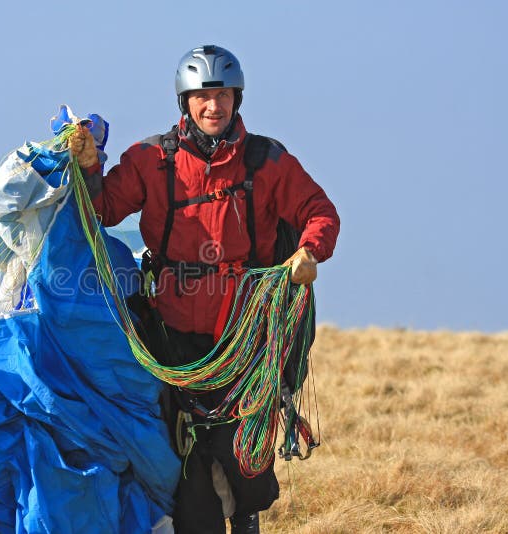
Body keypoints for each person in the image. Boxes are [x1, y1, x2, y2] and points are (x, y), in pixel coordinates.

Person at [68, 45, 340, 534]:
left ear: (237, 99)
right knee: (186, 465)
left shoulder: (266, 160)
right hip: (172, 336)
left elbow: (319, 210)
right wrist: (88, 168)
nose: (213, 107)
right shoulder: (152, 160)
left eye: (223, 96)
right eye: (202, 97)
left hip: (245, 333)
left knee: (243, 453)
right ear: (184, 103)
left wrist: (309, 252)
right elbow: (103, 208)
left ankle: (249, 516)